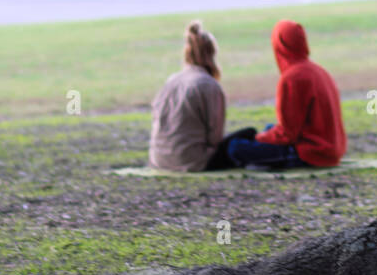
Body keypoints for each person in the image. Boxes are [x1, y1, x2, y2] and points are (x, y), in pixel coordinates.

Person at [227, 19, 347, 170]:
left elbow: (287, 134)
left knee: (235, 147)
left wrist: (259, 138)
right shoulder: (318, 70)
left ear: (279, 45)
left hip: (311, 153)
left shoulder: (292, 77)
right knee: (269, 128)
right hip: (332, 150)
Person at [149, 20, 253, 171]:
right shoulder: (209, 85)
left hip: (160, 160)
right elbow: (214, 138)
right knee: (249, 133)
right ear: (212, 54)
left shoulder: (172, 81)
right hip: (194, 162)